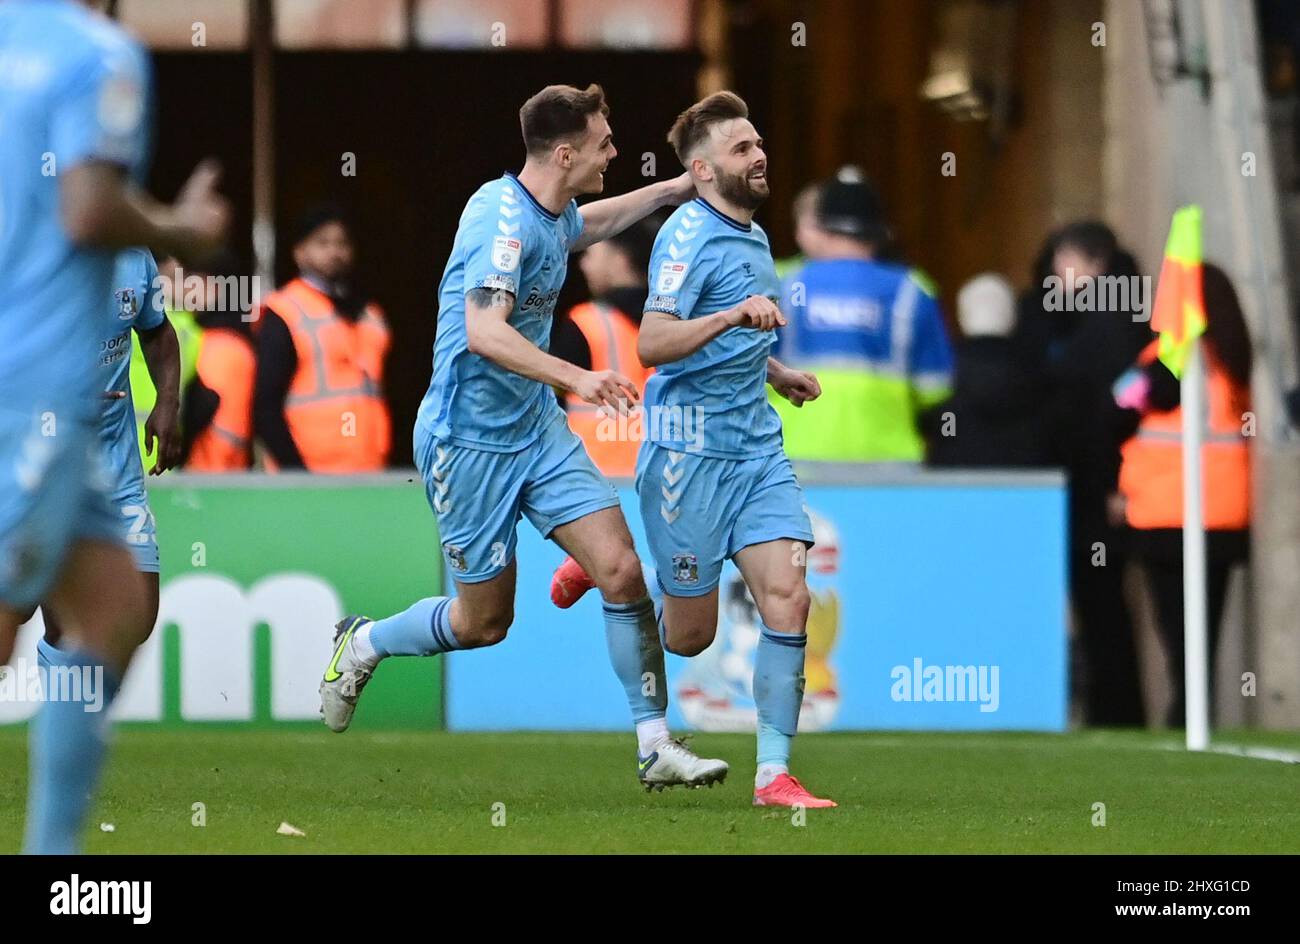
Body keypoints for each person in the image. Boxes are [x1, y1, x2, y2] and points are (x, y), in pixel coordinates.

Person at [318, 83, 728, 790]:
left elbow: (586, 224)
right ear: (566, 152)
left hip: (535, 430)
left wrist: (668, 192)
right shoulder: (499, 223)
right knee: (484, 623)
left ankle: (655, 743)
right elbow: (483, 332)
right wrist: (579, 376)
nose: (614, 151)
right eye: (605, 143)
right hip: (466, 444)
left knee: (622, 571)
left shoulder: (552, 210)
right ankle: (364, 643)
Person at [552, 91, 835, 808]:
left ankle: (774, 775)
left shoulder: (755, 236)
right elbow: (654, 343)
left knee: (789, 596)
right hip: (687, 459)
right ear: (704, 170)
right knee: (688, 638)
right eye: (742, 149)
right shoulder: (685, 234)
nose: (760, 154)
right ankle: (613, 570)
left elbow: (734, 338)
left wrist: (776, 372)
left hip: (756, 454)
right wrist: (735, 314)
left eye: (759, 141)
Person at [0, 0, 227, 853]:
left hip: (77, 421)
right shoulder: (98, 53)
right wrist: (185, 228)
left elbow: (155, 330)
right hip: (28, 393)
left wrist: (165, 400)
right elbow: (90, 209)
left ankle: (52, 860)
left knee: (115, 607)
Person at [1019, 221, 1151, 726]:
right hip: (1104, 487)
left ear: (1093, 265)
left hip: (1098, 492)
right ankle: (1115, 709)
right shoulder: (1117, 320)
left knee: (1103, 609)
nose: (1057, 274)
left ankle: (1115, 712)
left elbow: (1103, 418)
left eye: (1065, 262)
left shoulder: (1105, 328)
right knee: (1107, 609)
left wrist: (1112, 484)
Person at [1113, 263, 1252, 727]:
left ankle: (1184, 719)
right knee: (1204, 636)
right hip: (1223, 516)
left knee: (1177, 634)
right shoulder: (1234, 357)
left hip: (1166, 516)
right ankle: (1194, 716)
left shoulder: (1169, 355)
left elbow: (1124, 398)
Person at [773, 167, 954, 462]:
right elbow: (935, 389)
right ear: (879, 231)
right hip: (887, 463)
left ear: (822, 226)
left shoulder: (781, 283)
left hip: (793, 457)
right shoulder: (913, 290)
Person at [255, 205, 391, 472]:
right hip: (311, 477)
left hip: (368, 472)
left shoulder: (368, 314)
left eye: (341, 243)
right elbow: (265, 406)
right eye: (322, 243)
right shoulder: (285, 311)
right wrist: (296, 473)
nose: (334, 252)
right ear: (299, 252)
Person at [551, 215, 659, 476]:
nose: (584, 265)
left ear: (619, 258)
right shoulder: (687, 325)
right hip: (666, 480)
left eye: (591, 253)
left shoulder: (585, 323)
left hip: (595, 484)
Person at [925, 273, 1051, 467]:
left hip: (954, 487)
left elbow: (942, 430)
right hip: (1026, 489)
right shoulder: (1039, 377)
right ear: (1013, 317)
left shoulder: (942, 375)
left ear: (962, 316)